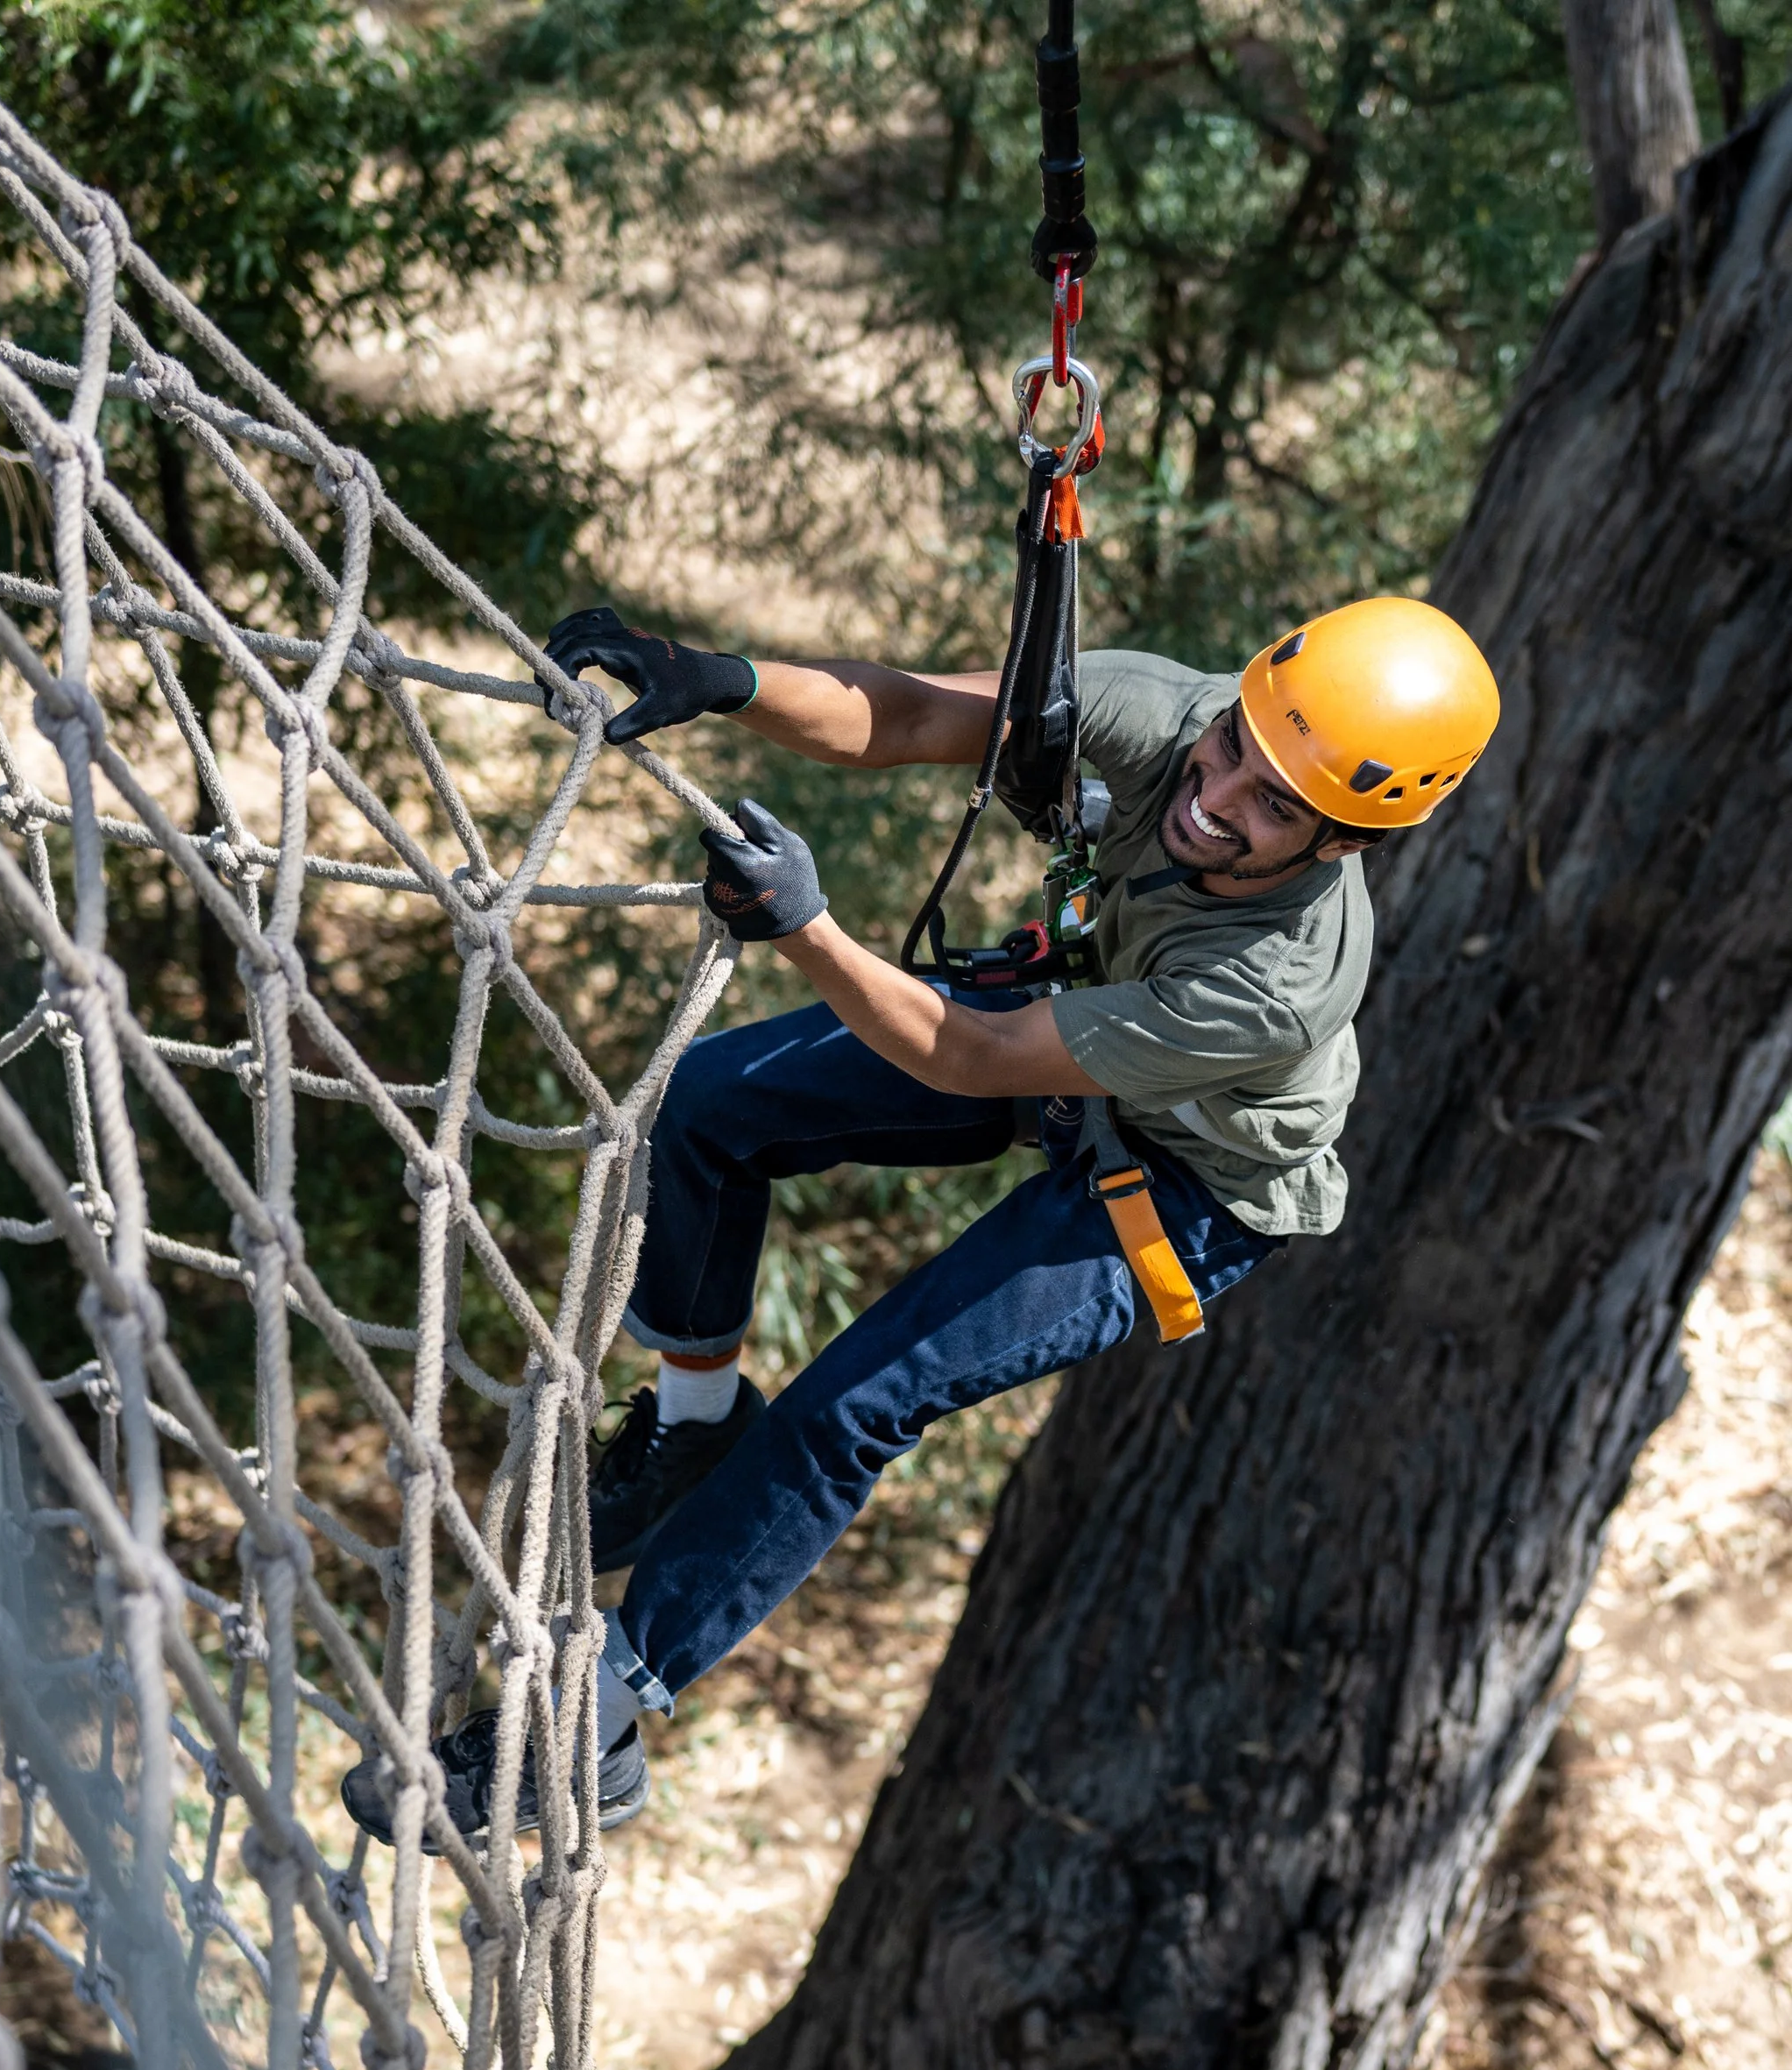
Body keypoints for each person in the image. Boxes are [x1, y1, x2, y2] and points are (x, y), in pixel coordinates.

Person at [343, 596, 1499, 1840]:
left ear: (1342, 843)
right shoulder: (1194, 719)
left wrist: (807, 928)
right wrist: (721, 673)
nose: (1215, 796)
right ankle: (695, 1425)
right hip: (1071, 1048)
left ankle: (591, 1726)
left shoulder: (1276, 980)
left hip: (1186, 1185)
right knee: (709, 1104)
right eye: (1232, 752)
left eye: (1272, 806)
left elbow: (977, 1056)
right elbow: (903, 714)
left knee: (860, 1402)